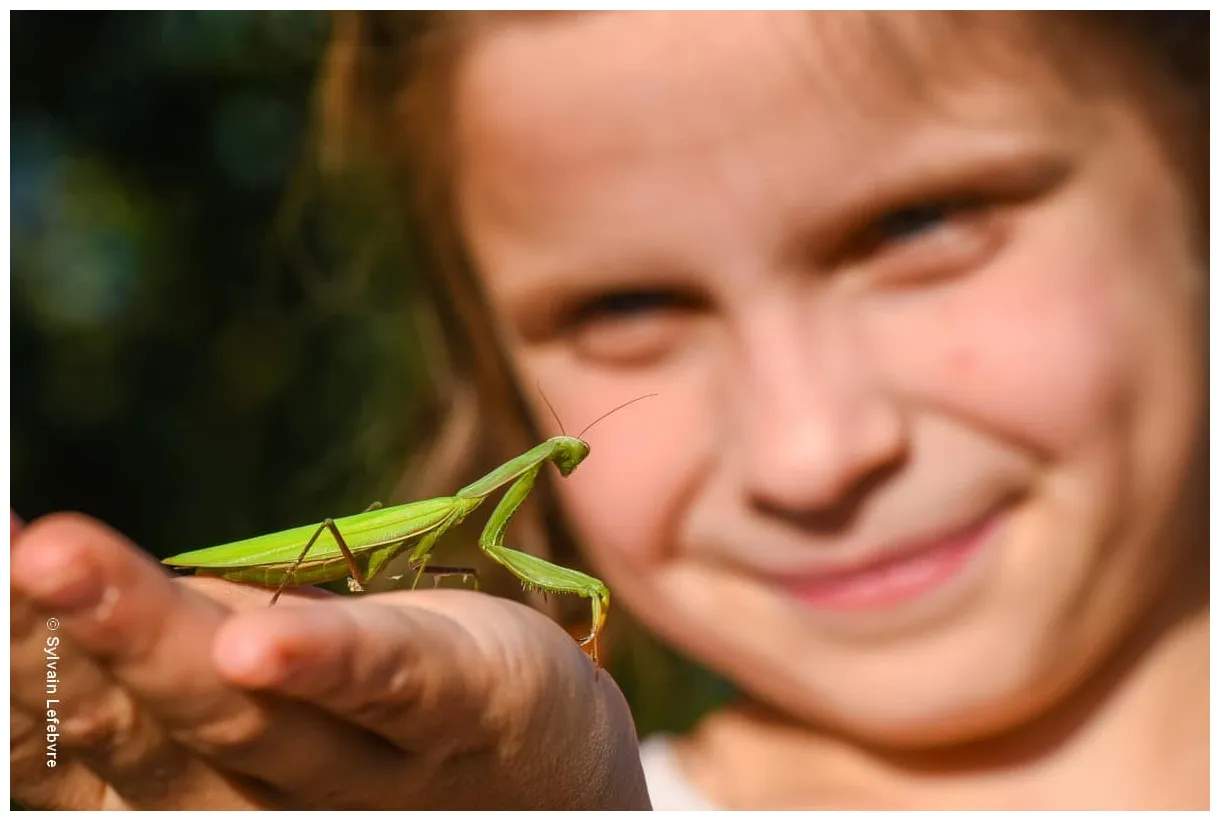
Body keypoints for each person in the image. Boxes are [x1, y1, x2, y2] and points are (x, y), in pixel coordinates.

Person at [11, 10, 1207, 810]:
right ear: (482, 356)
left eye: (918, 222)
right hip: (302, 569)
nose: (809, 453)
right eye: (627, 303)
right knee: (343, 541)